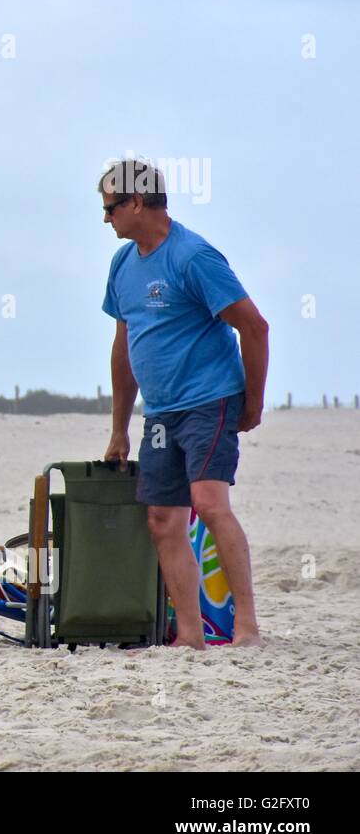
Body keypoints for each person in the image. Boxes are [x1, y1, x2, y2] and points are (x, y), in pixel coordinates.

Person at [98, 159, 268, 649]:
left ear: (136, 202)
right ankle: (190, 637)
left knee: (210, 505)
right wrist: (118, 428)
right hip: (160, 411)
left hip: (209, 400)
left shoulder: (193, 257)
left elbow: (254, 327)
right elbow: (123, 346)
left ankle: (247, 630)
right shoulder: (123, 264)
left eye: (111, 208)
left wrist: (251, 402)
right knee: (162, 519)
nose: (105, 219)